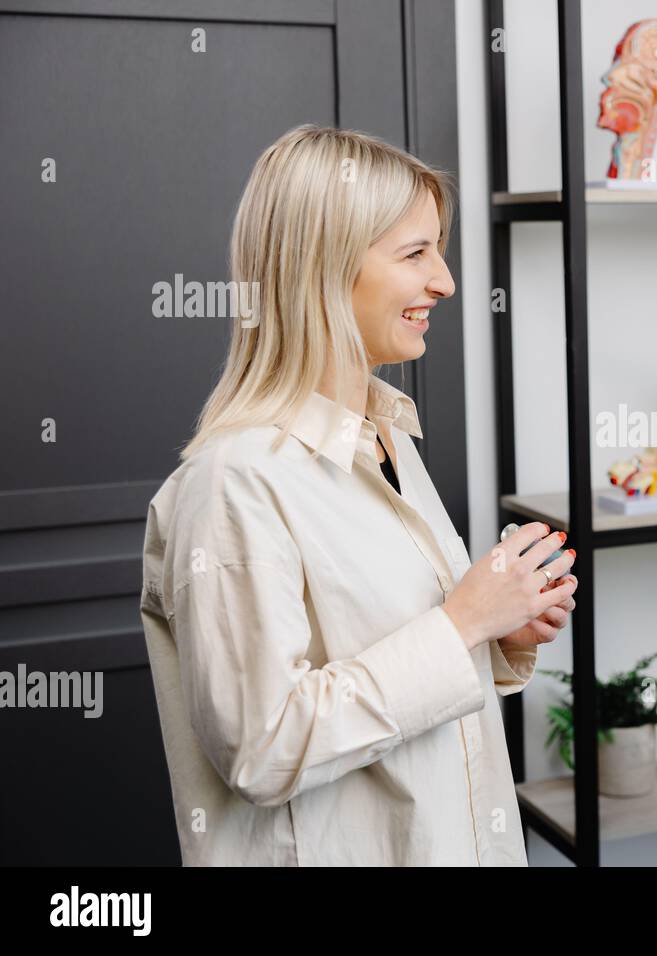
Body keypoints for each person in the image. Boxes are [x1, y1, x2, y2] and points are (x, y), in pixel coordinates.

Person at [139, 125, 578, 865]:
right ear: (323, 270)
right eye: (416, 254)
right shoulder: (233, 484)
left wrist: (500, 633)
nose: (445, 281)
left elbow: (400, 661)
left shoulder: (386, 437)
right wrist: (461, 623)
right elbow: (261, 747)